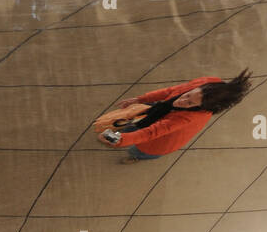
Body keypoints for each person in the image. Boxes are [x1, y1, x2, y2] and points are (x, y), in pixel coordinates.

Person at [98, 69, 252, 164]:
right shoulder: (207, 82)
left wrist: (119, 140)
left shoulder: (187, 118)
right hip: (160, 111)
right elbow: (172, 91)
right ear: (199, 87)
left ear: (200, 108)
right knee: (134, 125)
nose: (182, 101)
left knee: (138, 151)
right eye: (188, 95)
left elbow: (151, 133)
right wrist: (142, 99)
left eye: (190, 103)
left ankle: (137, 157)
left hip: (158, 143)